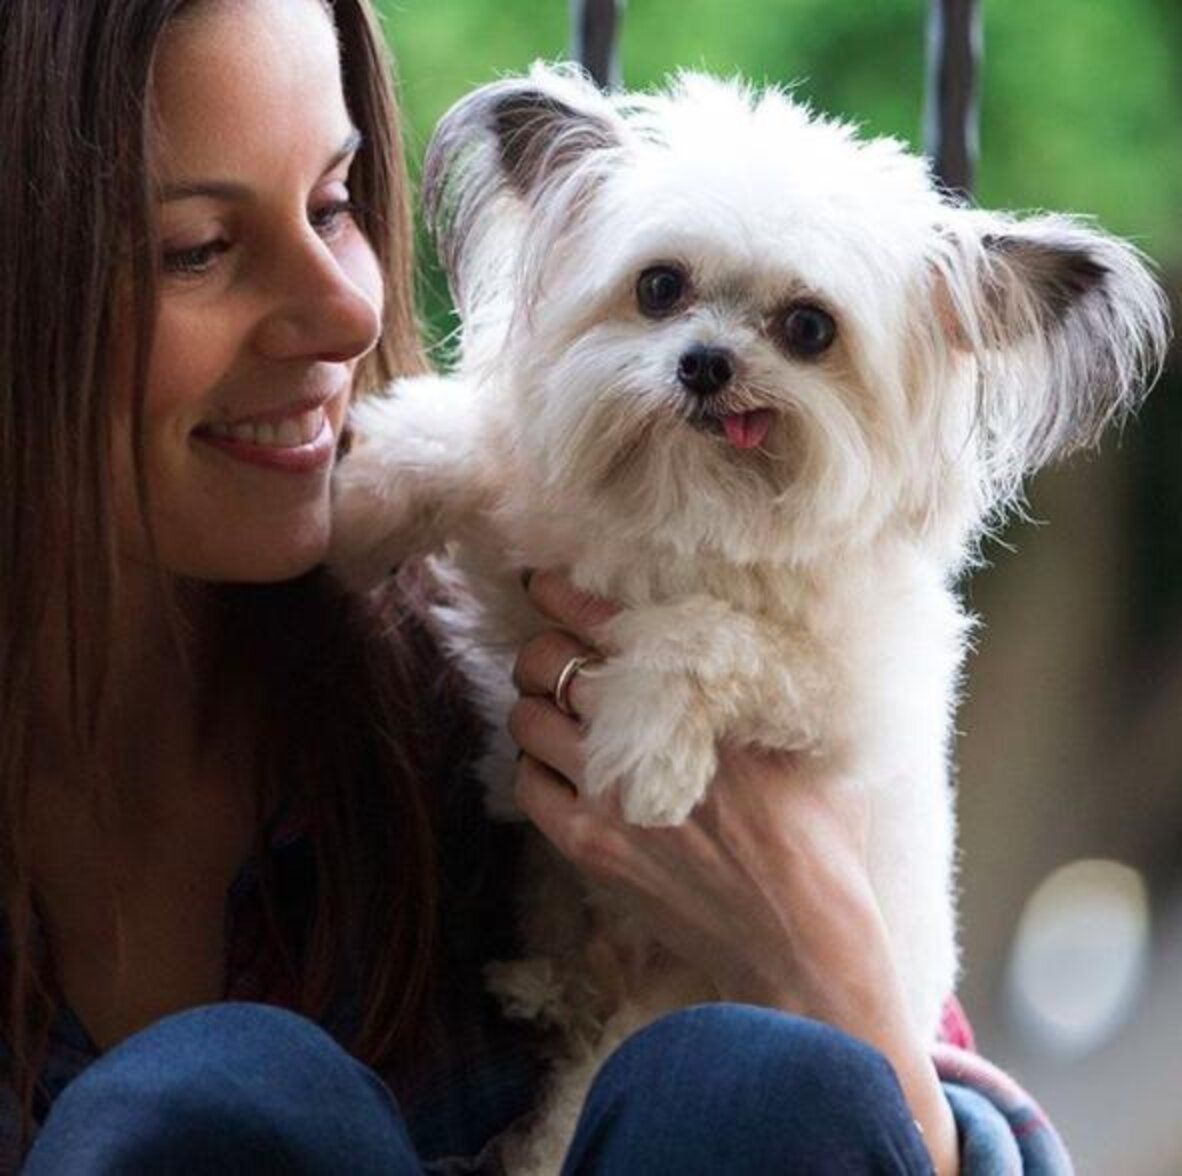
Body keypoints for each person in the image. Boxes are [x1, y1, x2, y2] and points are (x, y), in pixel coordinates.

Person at [0, 0, 1071, 1172]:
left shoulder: (498, 649)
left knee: (761, 1085)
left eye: (337, 206)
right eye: (198, 247)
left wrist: (831, 967)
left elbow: (905, 1112)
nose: (354, 309)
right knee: (212, 1105)